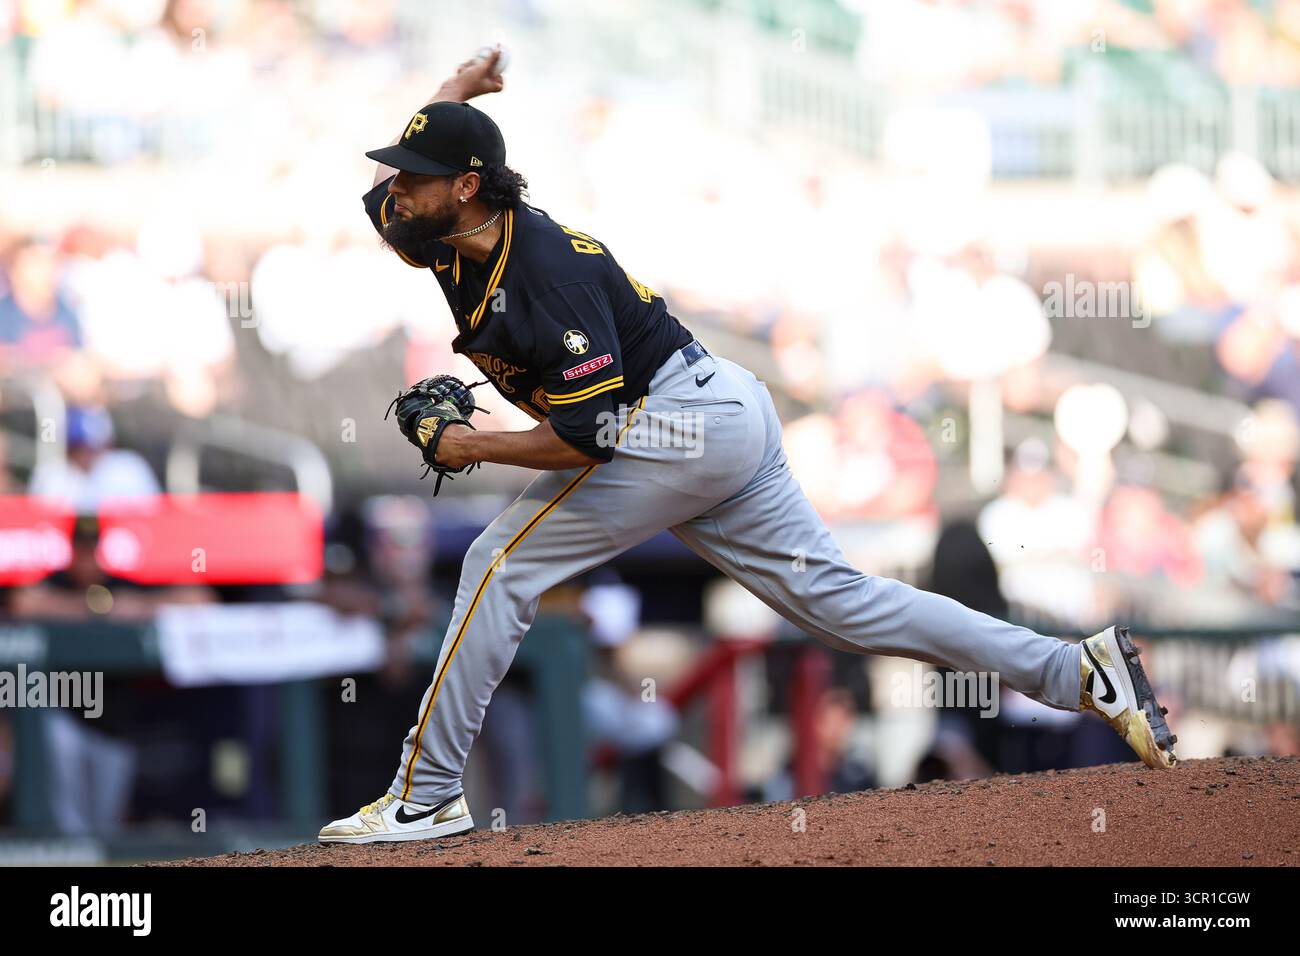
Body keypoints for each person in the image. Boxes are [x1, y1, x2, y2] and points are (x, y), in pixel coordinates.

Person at [319, 51, 1178, 844]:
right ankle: (1078, 671)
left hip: (677, 424)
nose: (396, 190)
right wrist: (455, 96)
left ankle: (426, 794)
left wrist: (472, 446)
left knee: (498, 563)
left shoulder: (548, 272)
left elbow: (591, 437)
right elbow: (403, 189)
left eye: (417, 177)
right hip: (711, 416)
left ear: (468, 187)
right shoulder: (436, 231)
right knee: (844, 607)